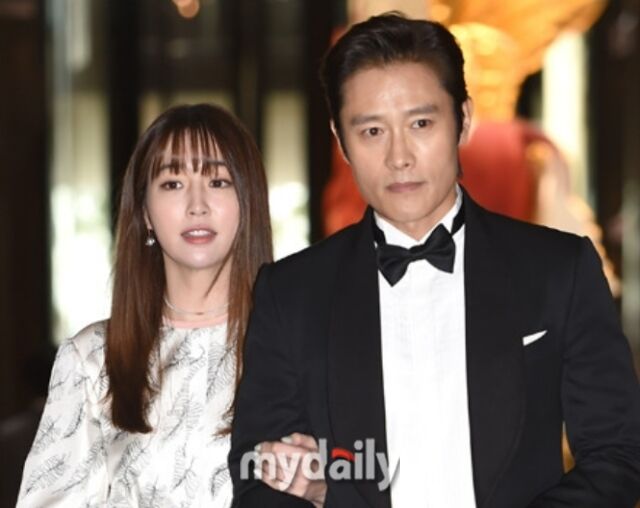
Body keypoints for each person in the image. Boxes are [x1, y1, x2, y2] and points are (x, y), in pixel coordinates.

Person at [229, 13, 640, 508]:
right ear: (340, 140)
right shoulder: (291, 293)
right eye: (372, 131)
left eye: (421, 123)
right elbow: (258, 479)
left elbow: (618, 455)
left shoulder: (559, 269)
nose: (399, 157)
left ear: (463, 119)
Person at [16, 103, 273, 507]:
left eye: (218, 181)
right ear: (146, 213)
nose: (197, 204)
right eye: (172, 183)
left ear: (249, 200)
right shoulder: (93, 358)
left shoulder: (296, 345)